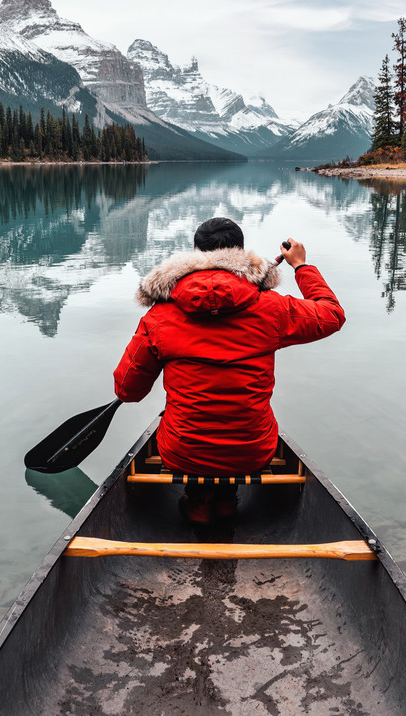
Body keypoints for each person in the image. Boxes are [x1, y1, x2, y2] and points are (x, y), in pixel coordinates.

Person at [113, 217, 346, 522]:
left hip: (181, 451)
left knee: (181, 432)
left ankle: (198, 500)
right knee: (242, 435)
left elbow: (127, 391)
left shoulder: (159, 317)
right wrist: (301, 266)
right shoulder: (271, 309)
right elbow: (332, 315)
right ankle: (225, 500)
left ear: (195, 255)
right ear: (240, 254)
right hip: (254, 450)